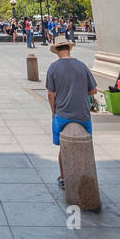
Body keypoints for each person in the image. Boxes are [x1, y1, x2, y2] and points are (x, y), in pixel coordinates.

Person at [45, 35, 98, 190]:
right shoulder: (81, 66)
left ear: (56, 51)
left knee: (64, 147)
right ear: (69, 48)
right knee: (85, 145)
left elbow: (50, 94)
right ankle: (87, 177)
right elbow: (93, 89)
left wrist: (53, 112)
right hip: (83, 114)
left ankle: (64, 179)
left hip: (62, 114)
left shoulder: (53, 68)